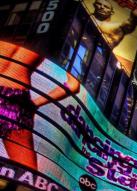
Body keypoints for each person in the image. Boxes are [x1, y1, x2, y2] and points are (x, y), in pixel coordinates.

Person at [0, 42, 80, 170]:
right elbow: (73, 85)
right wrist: (35, 104)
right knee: (26, 175)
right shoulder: (56, 37)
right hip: (16, 102)